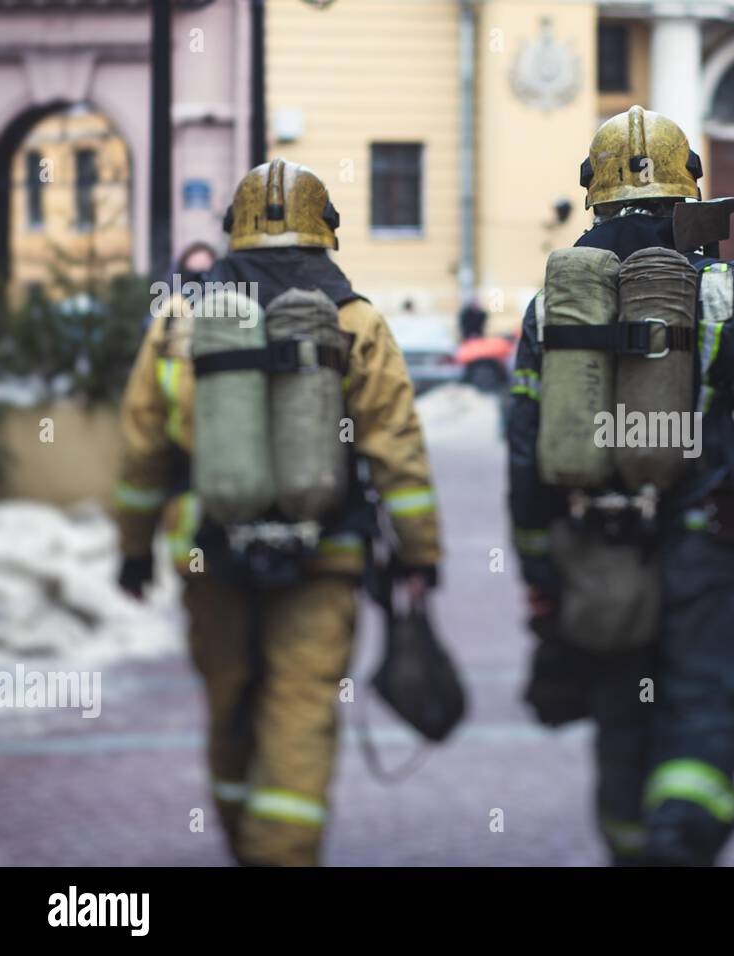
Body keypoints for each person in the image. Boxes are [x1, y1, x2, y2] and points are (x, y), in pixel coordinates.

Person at [113, 159, 440, 866]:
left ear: (233, 231)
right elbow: (396, 448)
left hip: (210, 553)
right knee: (300, 707)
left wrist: (134, 549)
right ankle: (281, 851)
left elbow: (142, 446)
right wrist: (420, 552)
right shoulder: (355, 320)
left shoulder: (181, 316)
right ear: (327, 230)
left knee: (231, 706)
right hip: (324, 555)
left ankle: (243, 840)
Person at [507, 105, 734, 866]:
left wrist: (543, 570)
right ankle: (684, 835)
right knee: (700, 709)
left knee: (621, 721)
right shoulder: (723, 288)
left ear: (593, 192)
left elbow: (525, 453)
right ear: (690, 191)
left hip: (599, 555)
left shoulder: (554, 302)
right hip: (704, 546)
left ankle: (638, 845)